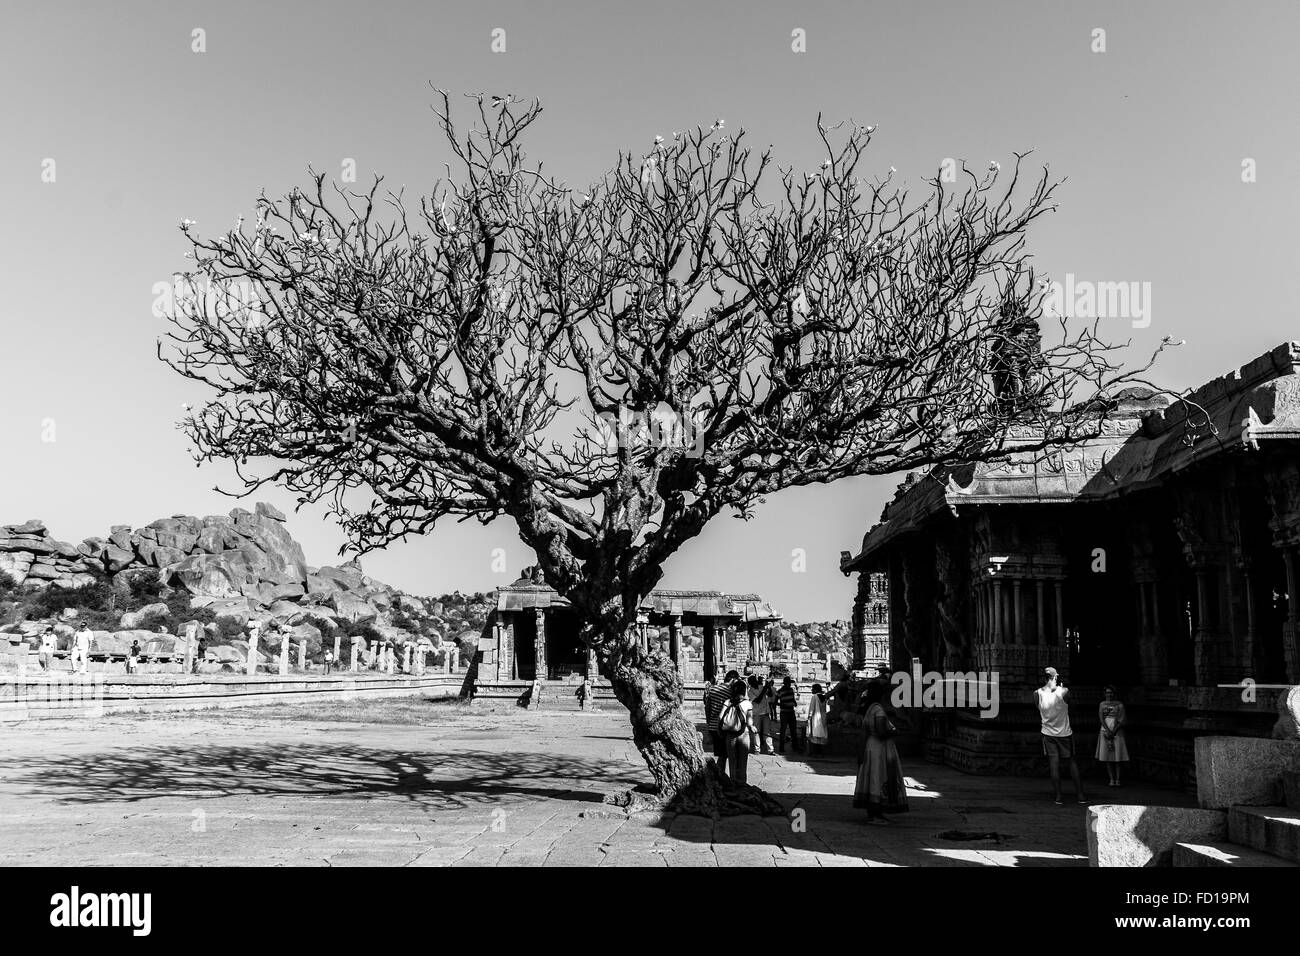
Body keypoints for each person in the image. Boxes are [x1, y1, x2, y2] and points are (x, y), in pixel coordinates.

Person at [853, 681, 909, 824]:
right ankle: (876, 814)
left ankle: (874, 813)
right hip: (879, 748)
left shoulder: (870, 708)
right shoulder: (878, 710)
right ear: (883, 695)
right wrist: (895, 732)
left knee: (873, 778)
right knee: (878, 777)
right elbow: (881, 731)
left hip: (871, 747)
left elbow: (865, 732)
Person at [1035, 666, 1086, 805]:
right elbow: (1073, 707)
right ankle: (1080, 796)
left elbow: (1038, 708)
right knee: (1072, 762)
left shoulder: (1037, 693)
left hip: (1047, 733)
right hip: (1064, 733)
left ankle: (1058, 796)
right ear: (1056, 677)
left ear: (1045, 678)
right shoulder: (1064, 692)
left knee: (1054, 764)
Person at [720, 679, 756, 786]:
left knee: (732, 761)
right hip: (743, 734)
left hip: (730, 735)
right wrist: (752, 728)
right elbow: (749, 721)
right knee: (743, 762)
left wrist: (719, 730)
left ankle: (733, 783)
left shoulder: (727, 702)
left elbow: (721, 717)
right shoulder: (747, 704)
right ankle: (743, 785)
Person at [704, 670, 739, 776]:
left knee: (721, 754)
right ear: (733, 679)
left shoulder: (713, 689)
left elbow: (707, 708)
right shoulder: (731, 691)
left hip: (713, 725)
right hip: (726, 726)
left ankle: (720, 776)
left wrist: (709, 724)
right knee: (726, 755)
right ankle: (721, 777)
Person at [1096, 684, 1130, 787]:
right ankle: (1111, 779)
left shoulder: (1120, 705)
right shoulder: (1102, 704)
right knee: (1107, 756)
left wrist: (1114, 731)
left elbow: (1122, 720)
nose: (1109, 694)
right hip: (1104, 731)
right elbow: (1101, 718)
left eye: (1111, 692)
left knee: (1117, 757)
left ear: (1114, 694)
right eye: (1107, 692)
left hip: (1117, 732)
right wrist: (1107, 730)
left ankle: (1118, 779)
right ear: (1104, 693)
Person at [747, 674, 774, 755]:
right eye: (753, 682)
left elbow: (770, 695)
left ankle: (770, 749)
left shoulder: (761, 686)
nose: (755, 682)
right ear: (750, 683)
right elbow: (758, 700)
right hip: (757, 714)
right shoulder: (750, 691)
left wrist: (768, 686)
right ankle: (757, 749)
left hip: (765, 712)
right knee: (756, 732)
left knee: (767, 732)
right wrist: (765, 688)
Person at [775, 676, 800, 754]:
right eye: (788, 683)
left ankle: (795, 746)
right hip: (784, 713)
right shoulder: (779, 691)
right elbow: (775, 702)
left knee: (793, 730)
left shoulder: (791, 690)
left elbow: (793, 699)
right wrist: (783, 704)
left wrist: (794, 703)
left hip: (791, 712)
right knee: (783, 730)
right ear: (785, 683)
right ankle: (781, 747)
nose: (789, 685)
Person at [805, 683, 830, 755]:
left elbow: (811, 708)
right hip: (823, 717)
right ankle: (820, 752)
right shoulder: (824, 697)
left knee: (815, 734)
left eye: (812, 689)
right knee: (821, 735)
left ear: (816, 689)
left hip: (816, 717)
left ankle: (815, 752)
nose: (811, 690)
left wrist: (809, 717)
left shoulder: (814, 697)